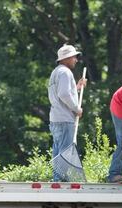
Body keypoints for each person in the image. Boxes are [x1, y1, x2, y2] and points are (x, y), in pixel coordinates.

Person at [48, 44, 87, 182]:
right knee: (65, 151)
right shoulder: (65, 72)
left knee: (58, 151)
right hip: (65, 118)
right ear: (67, 58)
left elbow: (63, 93)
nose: (76, 59)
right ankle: (60, 181)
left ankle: (56, 179)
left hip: (56, 118)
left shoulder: (56, 72)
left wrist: (77, 87)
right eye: (74, 57)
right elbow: (64, 94)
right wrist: (76, 108)